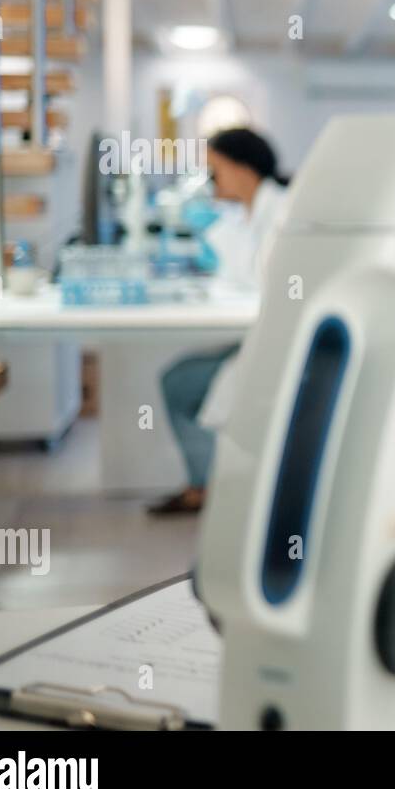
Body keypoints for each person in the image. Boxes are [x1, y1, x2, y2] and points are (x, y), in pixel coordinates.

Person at [149, 128, 288, 514]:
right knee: (181, 378)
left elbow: (263, 281)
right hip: (260, 335)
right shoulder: (251, 212)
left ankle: (206, 487)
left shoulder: (280, 212)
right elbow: (242, 273)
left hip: (278, 345)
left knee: (179, 383)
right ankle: (206, 483)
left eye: (215, 171)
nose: (210, 182)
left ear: (243, 170)